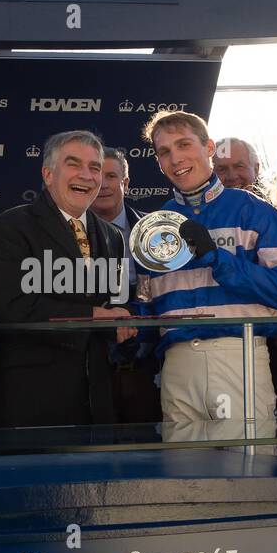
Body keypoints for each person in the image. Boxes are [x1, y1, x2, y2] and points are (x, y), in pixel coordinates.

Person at [135, 111, 277, 423]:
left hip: (238, 356)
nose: (175, 159)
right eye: (165, 152)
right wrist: (128, 324)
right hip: (175, 364)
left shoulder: (253, 211)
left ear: (209, 147)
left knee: (246, 469)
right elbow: (148, 305)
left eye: (184, 145)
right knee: (180, 471)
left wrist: (218, 260)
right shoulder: (156, 225)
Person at [0, 130, 134, 428]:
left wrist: (124, 325)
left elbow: (113, 307)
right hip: (30, 401)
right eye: (73, 164)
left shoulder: (113, 236)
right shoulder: (11, 228)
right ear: (48, 173)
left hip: (96, 401)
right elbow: (15, 308)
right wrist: (95, 316)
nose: (87, 175)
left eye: (95, 168)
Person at [92, 147, 160, 423]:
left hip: (146, 365)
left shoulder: (152, 231)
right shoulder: (62, 234)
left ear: (126, 182)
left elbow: (159, 289)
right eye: (98, 175)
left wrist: (134, 315)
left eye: (112, 176)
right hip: (89, 366)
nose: (104, 184)